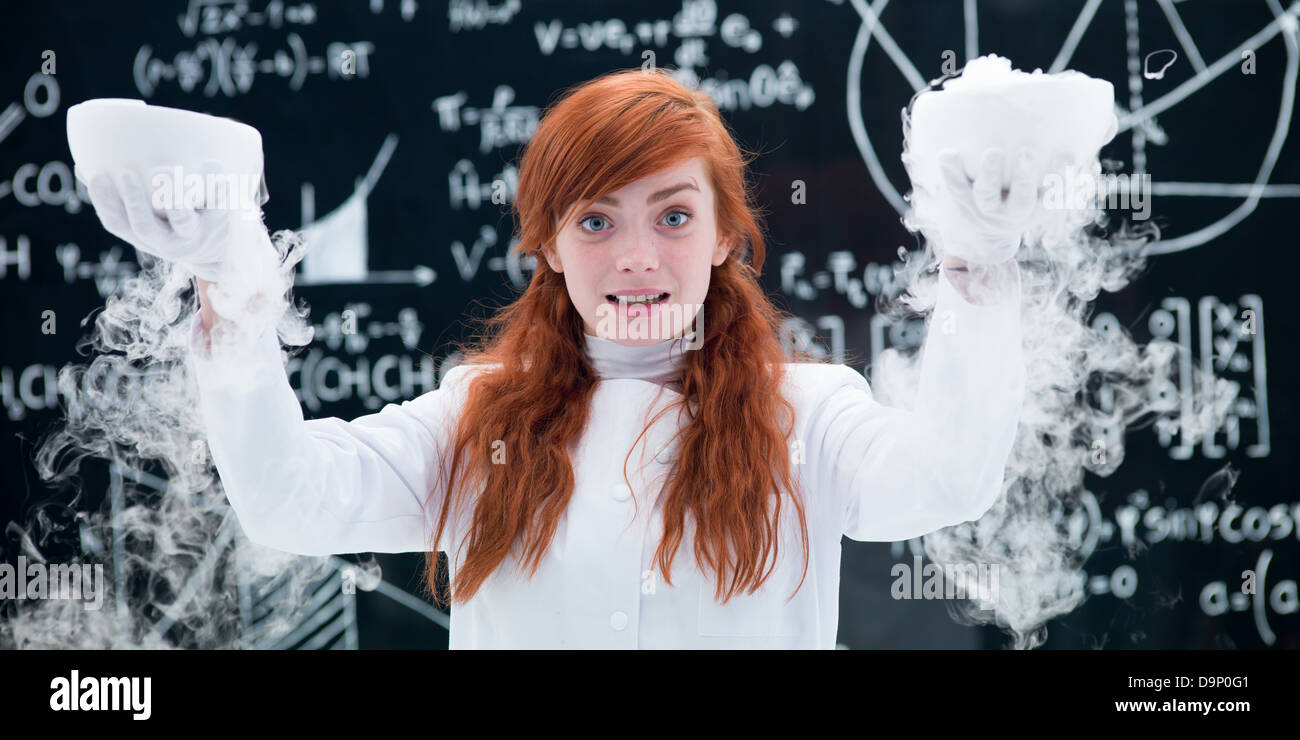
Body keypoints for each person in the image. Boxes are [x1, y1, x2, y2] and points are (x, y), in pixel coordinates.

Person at [85, 67, 1030, 649]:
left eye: (672, 215)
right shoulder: (474, 420)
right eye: (595, 220)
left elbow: (949, 478)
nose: (634, 256)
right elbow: (288, 498)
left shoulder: (808, 416)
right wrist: (231, 285)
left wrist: (978, 263)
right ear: (546, 244)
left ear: (722, 237)